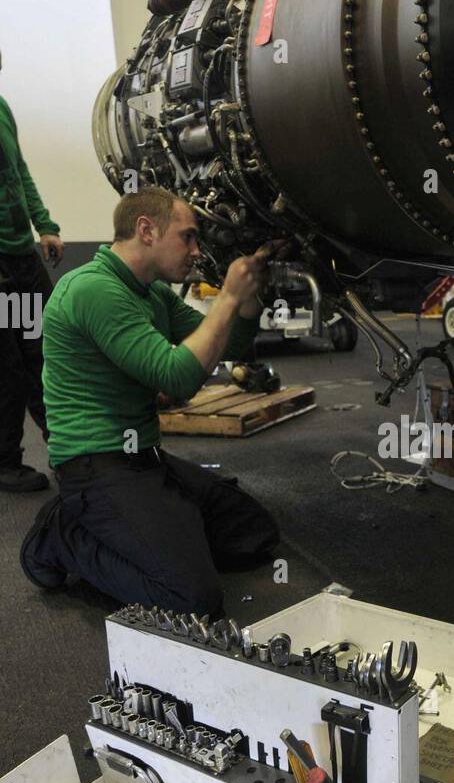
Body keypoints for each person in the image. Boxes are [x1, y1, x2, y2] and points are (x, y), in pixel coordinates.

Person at [20, 186, 282, 616]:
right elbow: (177, 376)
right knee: (192, 599)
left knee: (253, 534)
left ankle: (157, 530)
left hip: (145, 458)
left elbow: (229, 342)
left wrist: (248, 296)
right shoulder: (94, 290)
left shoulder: (151, 293)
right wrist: (228, 297)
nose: (196, 251)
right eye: (188, 237)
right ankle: (62, 537)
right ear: (146, 230)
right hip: (95, 466)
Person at [0, 50, 64, 491]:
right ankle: (5, 462)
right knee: (8, 368)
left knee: (44, 353)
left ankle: (65, 448)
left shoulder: (2, 107)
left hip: (21, 255)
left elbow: (18, 172)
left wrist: (45, 224)